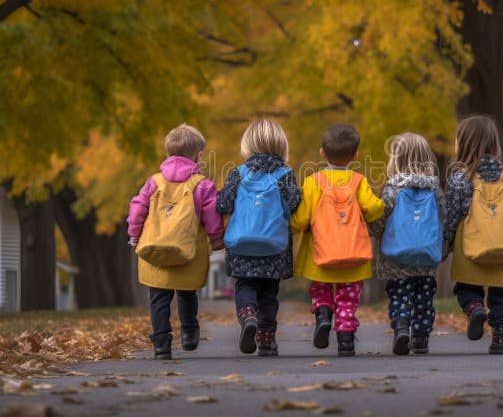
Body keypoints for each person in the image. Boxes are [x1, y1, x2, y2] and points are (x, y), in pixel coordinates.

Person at [127, 123, 225, 360]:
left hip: (155, 250)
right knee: (187, 293)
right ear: (199, 155)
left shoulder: (154, 182)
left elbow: (138, 207)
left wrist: (134, 233)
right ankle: (190, 332)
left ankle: (161, 343)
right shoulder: (202, 184)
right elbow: (212, 216)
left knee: (159, 297)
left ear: (168, 153)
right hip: (188, 251)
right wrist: (217, 239)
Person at [291, 123, 384, 356]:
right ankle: (345, 340)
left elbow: (301, 219)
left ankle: (323, 314)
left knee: (321, 290)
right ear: (355, 155)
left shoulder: (313, 182)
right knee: (347, 298)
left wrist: (289, 226)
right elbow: (373, 209)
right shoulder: (358, 182)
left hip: (320, 256)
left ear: (322, 153)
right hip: (353, 255)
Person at [444, 115, 503, 354]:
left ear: (465, 144)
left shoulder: (460, 179)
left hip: (470, 249)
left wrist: (446, 244)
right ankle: (501, 336)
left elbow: (452, 216)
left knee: (465, 287)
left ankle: (474, 307)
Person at [217, 118, 301, 356]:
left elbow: (223, 204)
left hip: (241, 245)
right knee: (269, 291)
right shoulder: (285, 174)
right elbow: (295, 204)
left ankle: (247, 315)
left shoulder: (238, 174)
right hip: (274, 247)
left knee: (245, 284)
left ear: (248, 145)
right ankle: (266, 339)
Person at [369, 133, 446, 355]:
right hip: (426, 256)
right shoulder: (436, 191)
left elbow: (381, 219)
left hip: (396, 258)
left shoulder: (392, 190)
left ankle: (401, 327)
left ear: (396, 159)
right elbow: (444, 217)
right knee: (424, 295)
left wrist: (372, 231)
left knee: (399, 294)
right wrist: (444, 246)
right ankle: (421, 337)